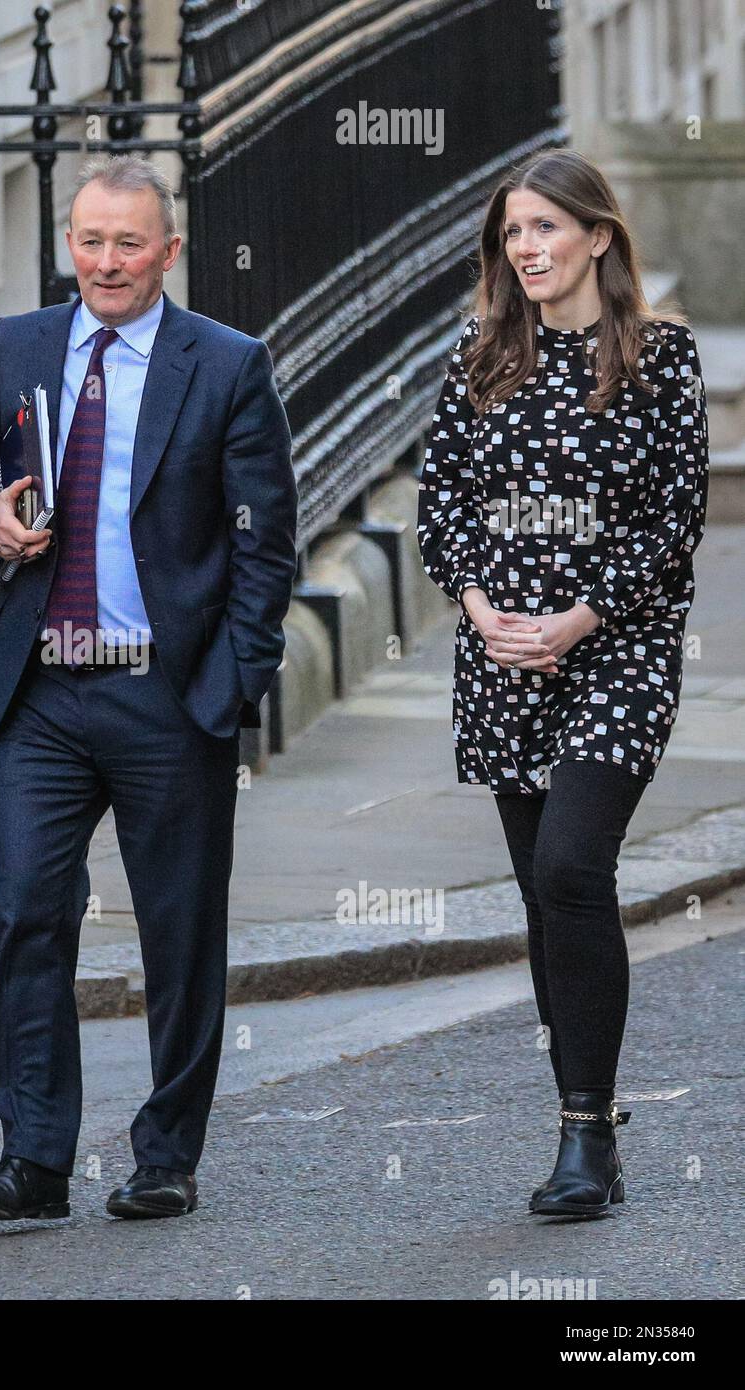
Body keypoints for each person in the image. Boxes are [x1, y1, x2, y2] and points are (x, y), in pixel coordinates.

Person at [0, 153, 297, 1221]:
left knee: (178, 928)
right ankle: (34, 1160)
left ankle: (166, 1153)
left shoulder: (227, 365)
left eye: (128, 243)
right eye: (90, 241)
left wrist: (232, 685)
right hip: (42, 689)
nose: (106, 261)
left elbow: (266, 545)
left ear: (168, 251)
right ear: (69, 244)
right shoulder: (20, 345)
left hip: (165, 690)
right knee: (26, 910)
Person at [416, 148, 708, 1217]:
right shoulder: (480, 357)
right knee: (545, 891)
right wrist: (481, 608)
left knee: (576, 866)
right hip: (503, 660)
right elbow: (439, 505)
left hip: (618, 649)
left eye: (545, 228)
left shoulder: (660, 358)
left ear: (596, 235)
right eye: (512, 233)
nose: (526, 249)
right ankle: (580, 1125)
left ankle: (588, 1131)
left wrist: (580, 618)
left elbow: (672, 522)